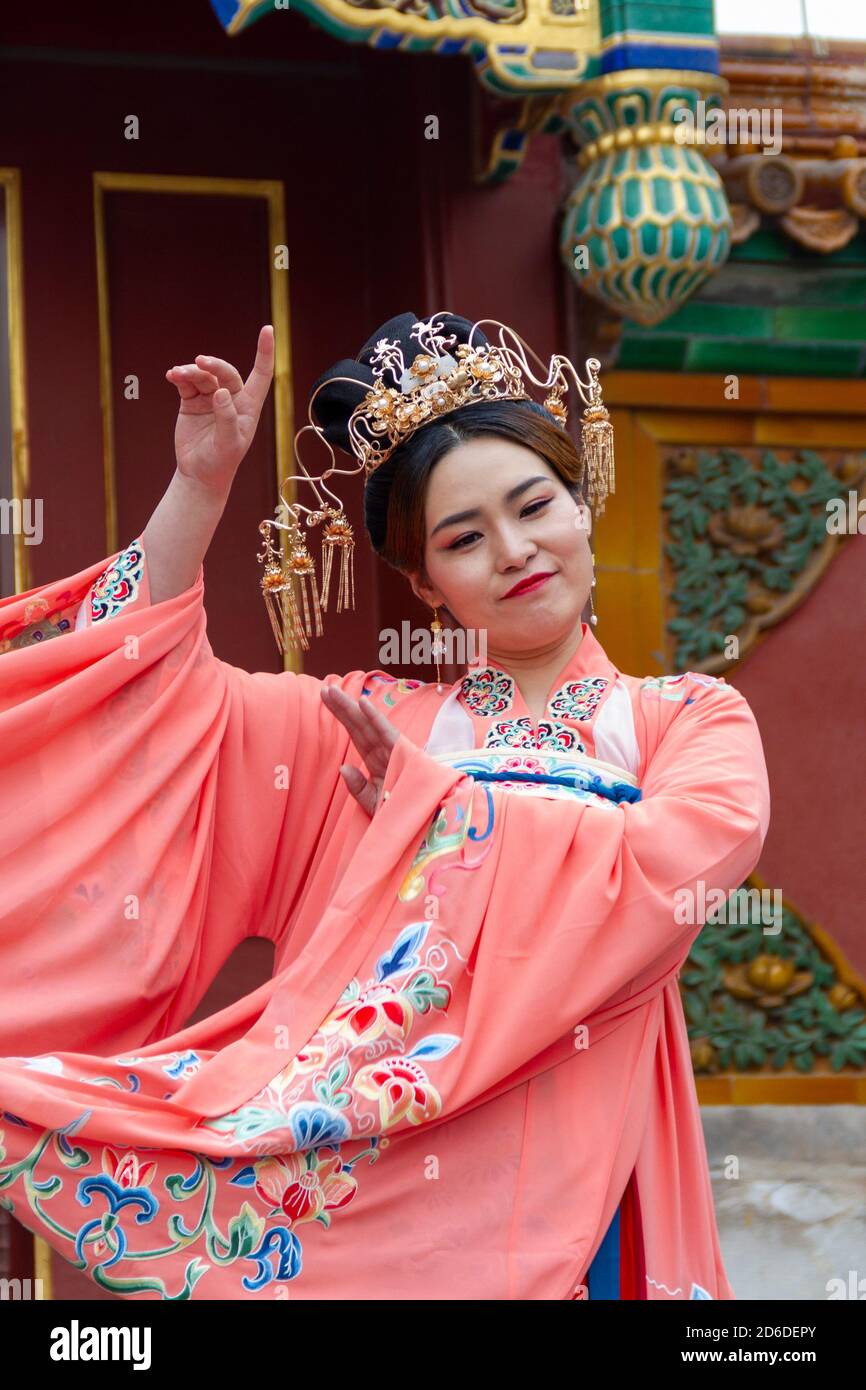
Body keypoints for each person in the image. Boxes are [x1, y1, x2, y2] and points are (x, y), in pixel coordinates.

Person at [0, 311, 770, 1301]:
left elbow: (664, 868)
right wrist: (198, 491)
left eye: (533, 505)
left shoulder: (685, 720)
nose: (512, 549)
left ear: (584, 505)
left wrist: (432, 808)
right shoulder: (364, 721)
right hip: (364, 1207)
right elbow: (150, 707)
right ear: (427, 586)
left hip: (582, 1188)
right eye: (462, 538)